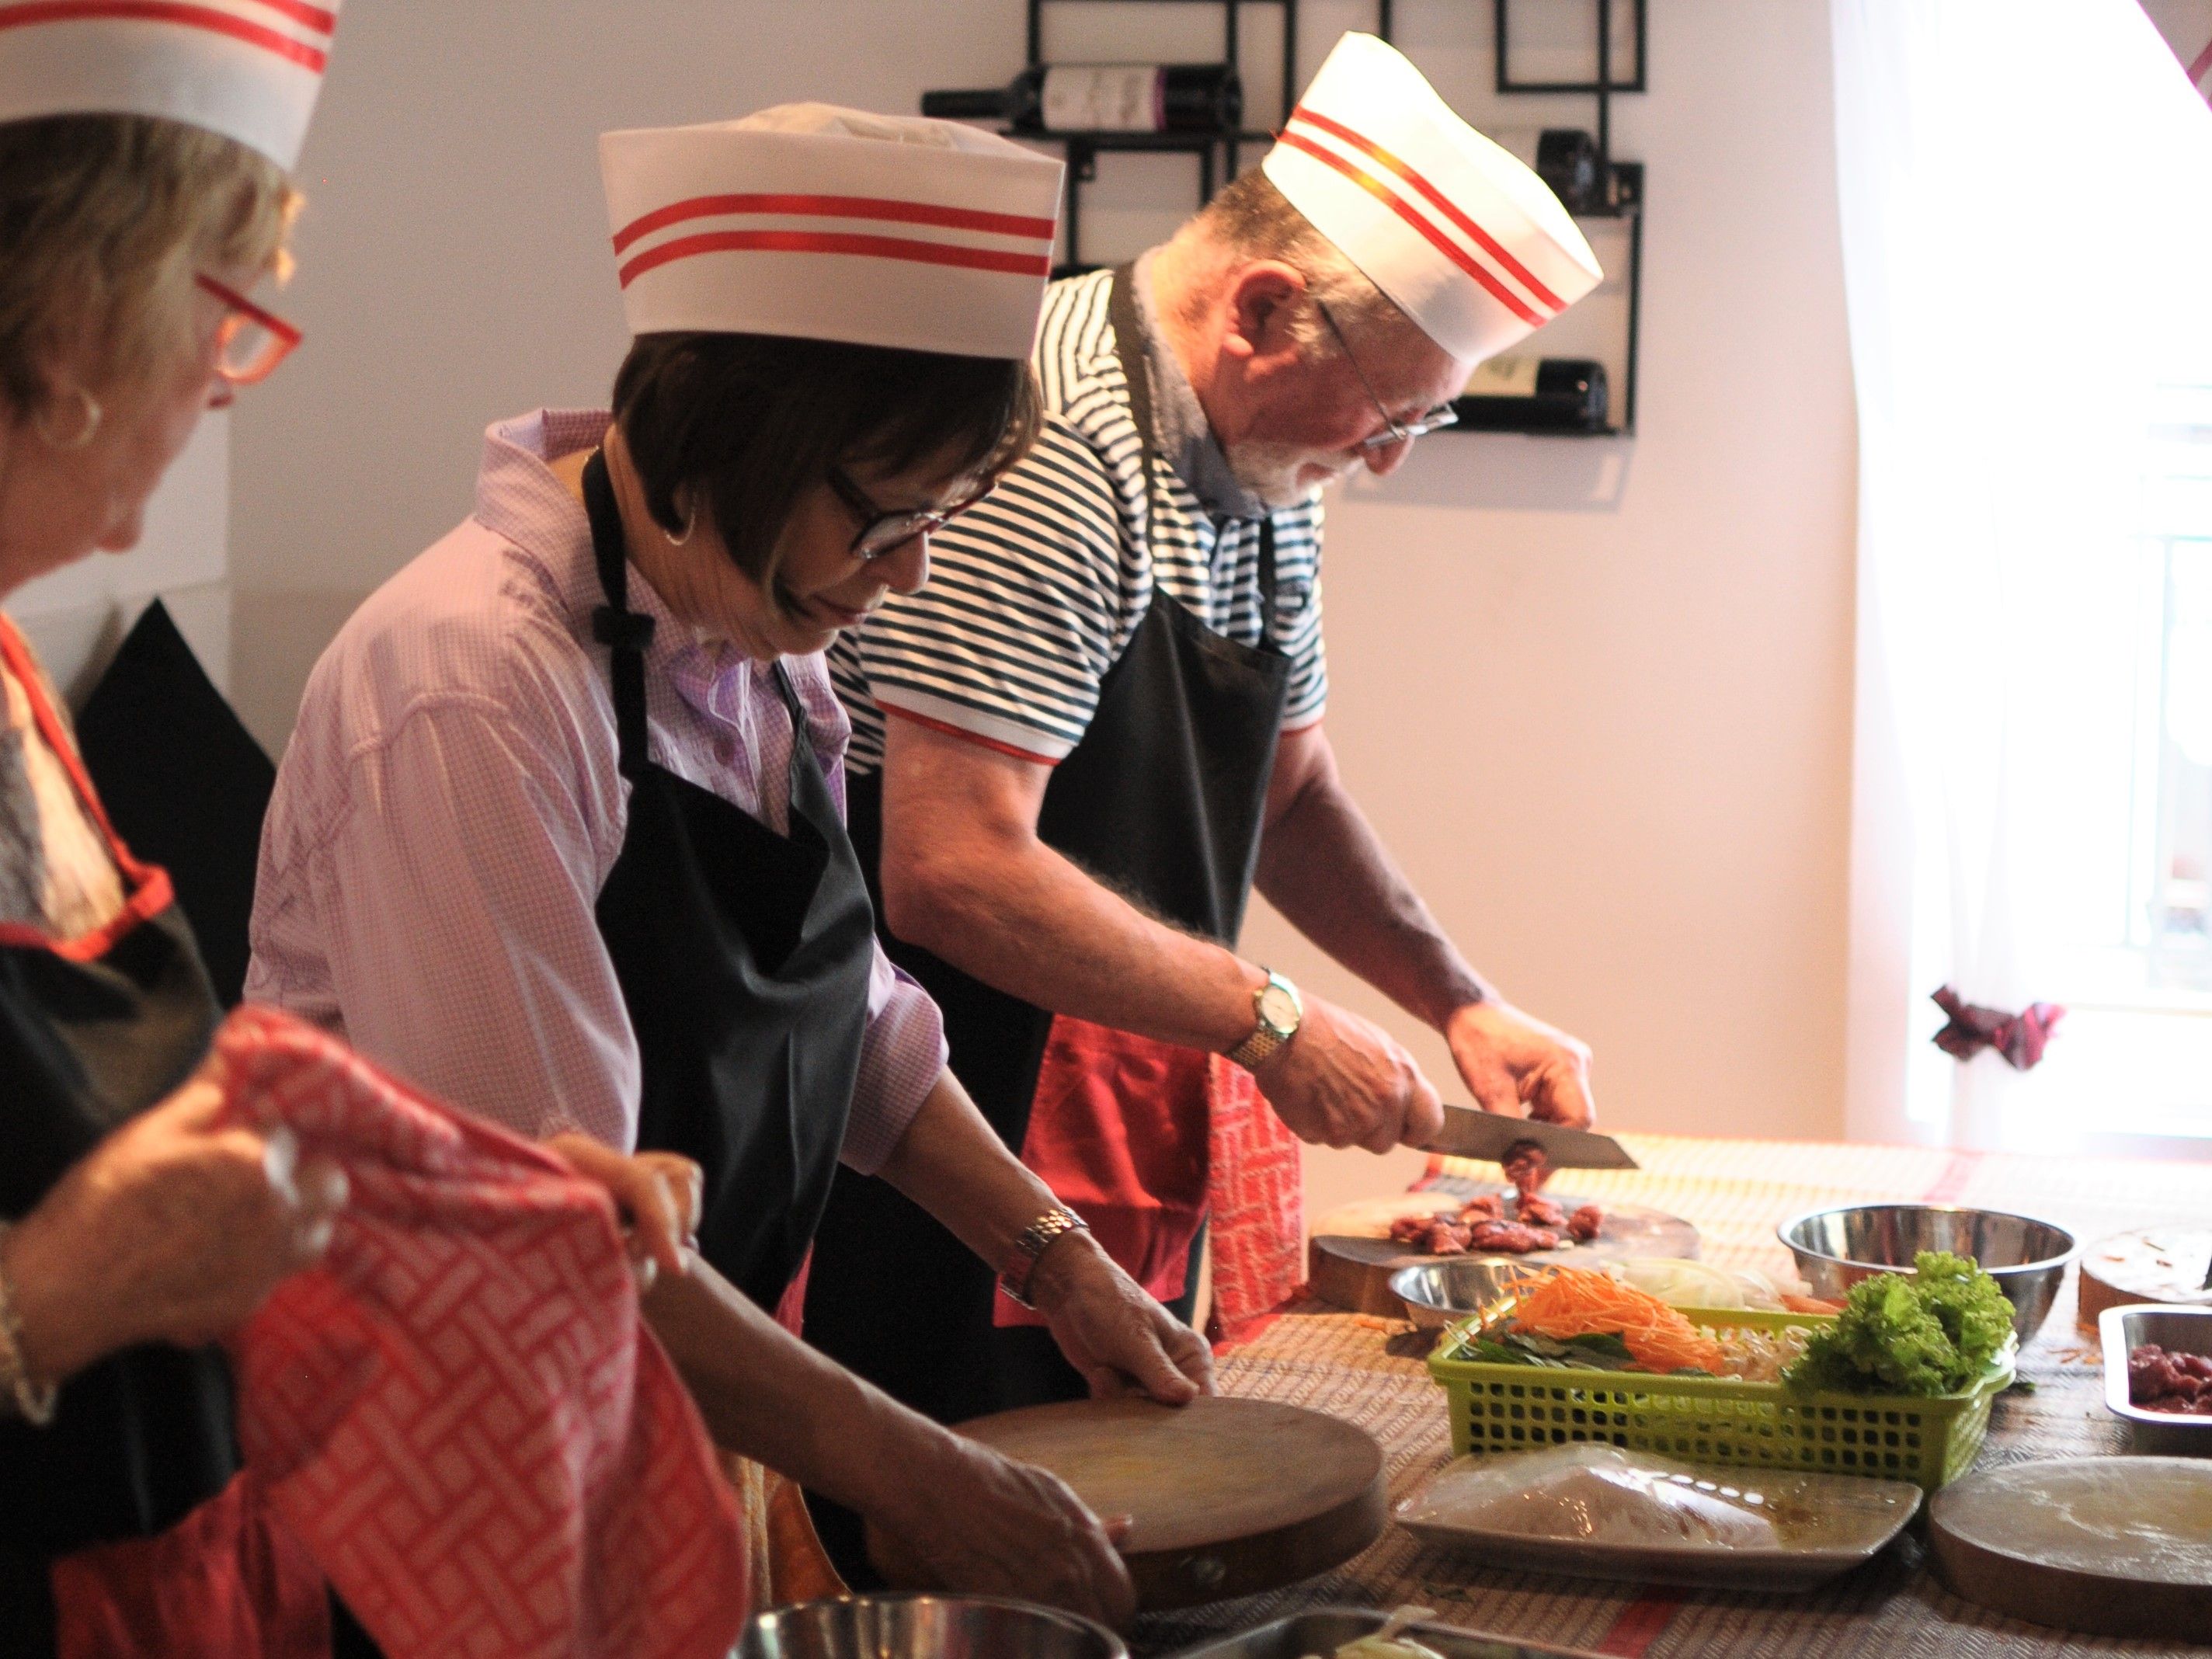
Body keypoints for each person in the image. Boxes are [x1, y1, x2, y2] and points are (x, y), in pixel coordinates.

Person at [246, 103, 1209, 1622]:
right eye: (884, 518)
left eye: (937, 518)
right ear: (716, 445)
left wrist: (1057, 1260)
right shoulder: (473, 691)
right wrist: (925, 1477)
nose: (911, 573)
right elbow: (561, 1242)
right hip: (436, 1484)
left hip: (659, 1414)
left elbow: (859, 1031)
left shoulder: (745, 629)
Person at [0, 13, 702, 1654]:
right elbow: (70, 1254)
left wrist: (436, 1203)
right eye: (224, 312)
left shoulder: (15, 680)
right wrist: (49, 1301)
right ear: (75, 318)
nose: (217, 384)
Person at [808, 33, 1609, 1421]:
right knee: (957, 1497)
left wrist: (1457, 999)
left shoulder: (1267, 465)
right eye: (1394, 411)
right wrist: (1272, 1023)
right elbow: (952, 868)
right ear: (1264, 310)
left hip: (1114, 1090)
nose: (1386, 458)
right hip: (935, 1117)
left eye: (1423, 420)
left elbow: (1291, 798)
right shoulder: (1056, 440)